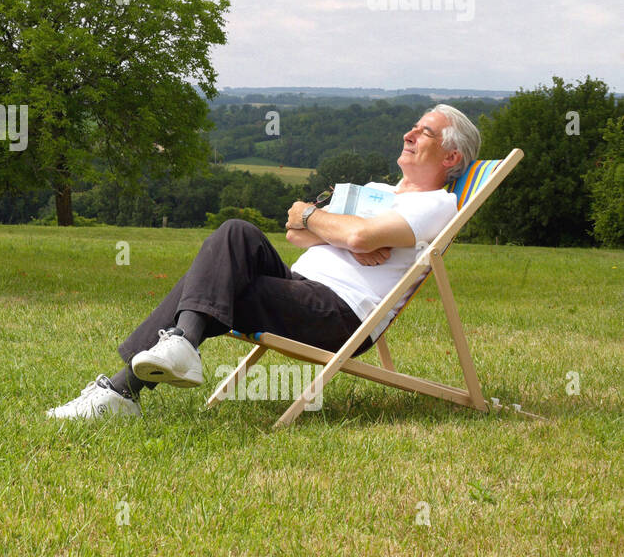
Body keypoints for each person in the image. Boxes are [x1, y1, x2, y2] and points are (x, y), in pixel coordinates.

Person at [46, 105, 480, 419]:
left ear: (450, 158)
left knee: (222, 280)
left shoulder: (435, 204)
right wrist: (332, 229)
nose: (408, 134)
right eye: (412, 127)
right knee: (236, 232)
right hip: (298, 284)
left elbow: (349, 231)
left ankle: (126, 388)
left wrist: (332, 225)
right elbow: (294, 228)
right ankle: (171, 350)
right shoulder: (377, 192)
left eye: (423, 132)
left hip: (338, 313)